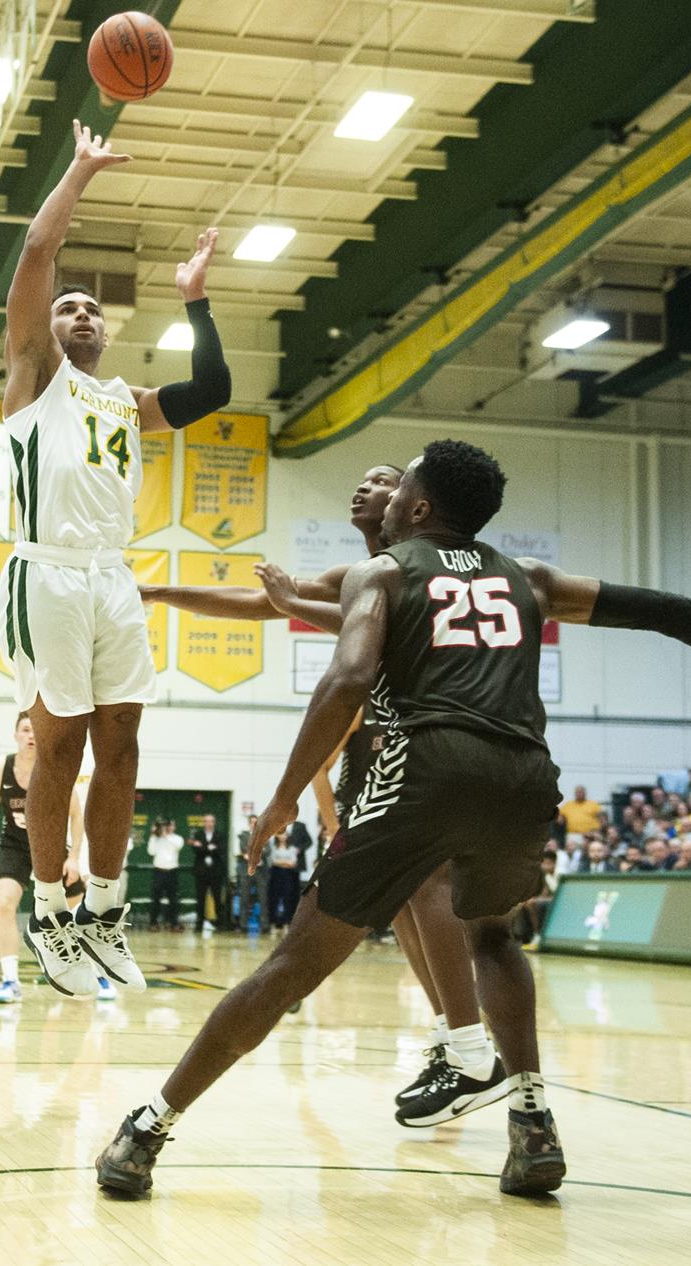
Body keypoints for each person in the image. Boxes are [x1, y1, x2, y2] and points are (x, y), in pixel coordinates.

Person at [97, 439, 691, 1198]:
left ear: (418, 506)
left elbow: (346, 680)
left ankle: (148, 1127)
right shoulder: (529, 578)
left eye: (396, 483)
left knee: (292, 965)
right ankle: (531, 1124)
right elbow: (665, 610)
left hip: (428, 767)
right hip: (526, 776)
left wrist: (281, 798)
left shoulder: (383, 571)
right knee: (496, 939)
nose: (386, 490)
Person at [145, 463, 504, 1122]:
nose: (364, 487)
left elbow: (313, 624)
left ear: (416, 504)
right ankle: (454, 1044)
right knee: (399, 911)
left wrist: (288, 604)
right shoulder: (353, 576)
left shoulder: (431, 572)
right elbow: (265, 605)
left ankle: (471, 1046)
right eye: (360, 478)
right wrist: (157, 591)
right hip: (370, 768)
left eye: (383, 480)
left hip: (430, 762)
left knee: (426, 887)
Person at [0, 120, 233, 998]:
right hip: (45, 570)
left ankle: (103, 909)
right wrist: (81, 170)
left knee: (124, 744)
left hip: (110, 575)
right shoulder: (32, 375)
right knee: (56, 749)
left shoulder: (127, 402)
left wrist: (196, 300)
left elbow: (212, 394)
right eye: (68, 306)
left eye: (92, 308)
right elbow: (36, 248)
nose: (80, 313)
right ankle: (51, 917)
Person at [0, 712, 88, 1004]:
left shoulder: (54, 768)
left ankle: (93, 971)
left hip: (50, 843)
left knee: (74, 911)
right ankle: (10, 981)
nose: (31, 735)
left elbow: (76, 814)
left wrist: (73, 857)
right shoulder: (0, 768)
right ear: (15, 735)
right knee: (5, 904)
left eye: (36, 730)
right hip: (14, 845)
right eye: (25, 729)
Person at [186, 817, 230, 935]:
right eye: (206, 821)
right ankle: (199, 923)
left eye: (211, 821)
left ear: (214, 823)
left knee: (217, 897)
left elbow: (220, 849)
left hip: (216, 871)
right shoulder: (198, 834)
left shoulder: (220, 835)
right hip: (201, 872)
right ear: (203, 823)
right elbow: (196, 850)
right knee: (200, 898)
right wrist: (209, 847)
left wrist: (203, 846)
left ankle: (220, 923)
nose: (208, 823)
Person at [146, 821, 184, 930]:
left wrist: (166, 835)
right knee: (156, 898)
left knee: (173, 898)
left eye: (170, 825)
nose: (167, 828)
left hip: (172, 871)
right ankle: (153, 923)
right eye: (166, 826)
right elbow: (151, 852)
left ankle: (174, 923)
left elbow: (177, 846)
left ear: (174, 827)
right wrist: (153, 835)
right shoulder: (156, 838)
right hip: (159, 871)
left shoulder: (177, 838)